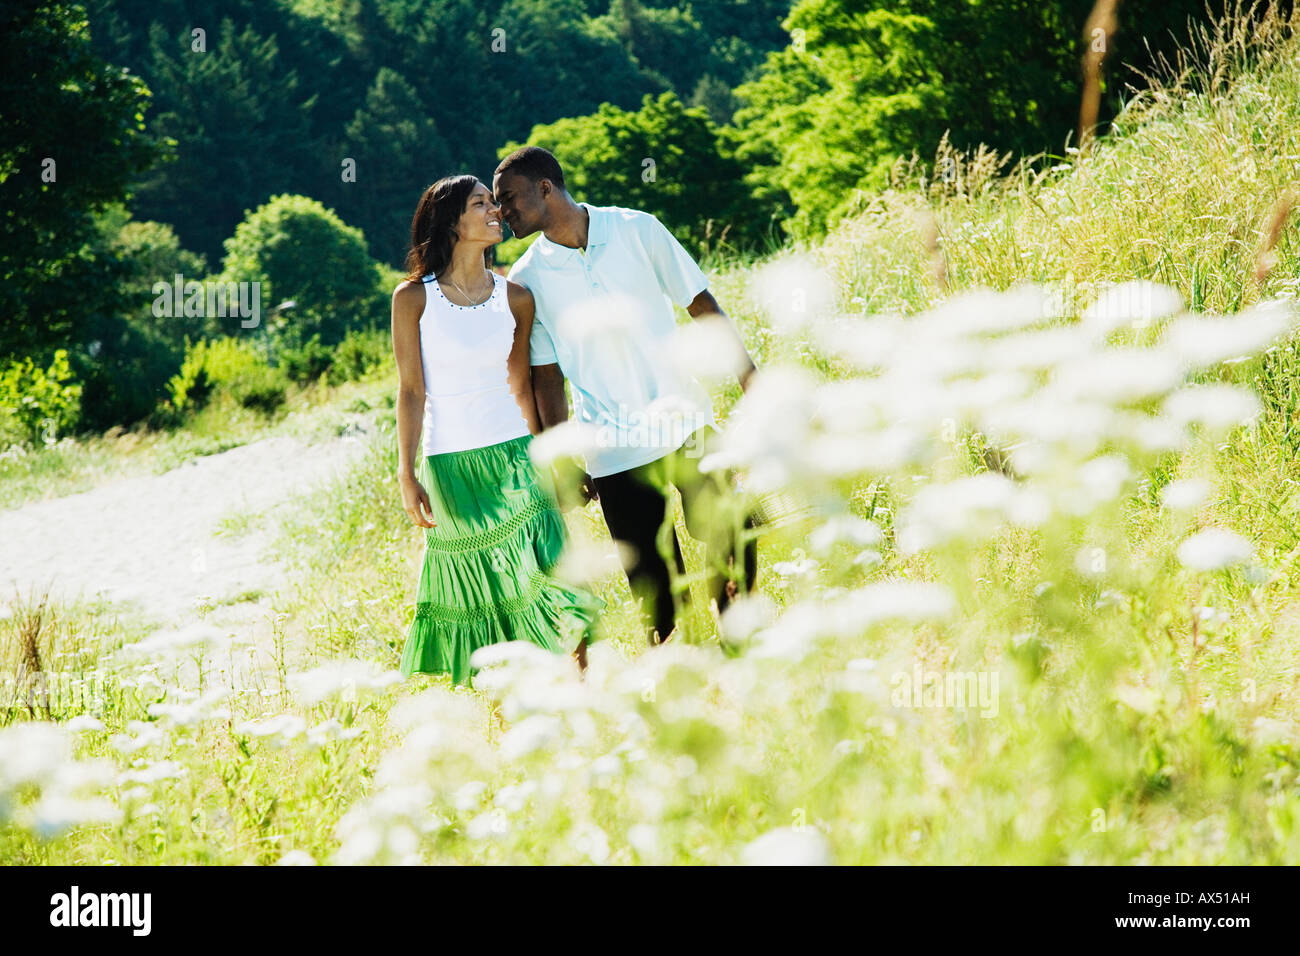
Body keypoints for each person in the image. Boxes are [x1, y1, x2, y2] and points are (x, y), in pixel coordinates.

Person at [493, 146, 760, 645]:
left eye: (509, 199)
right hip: (612, 449)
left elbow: (700, 302)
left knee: (732, 533)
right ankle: (681, 669)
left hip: (687, 422)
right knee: (654, 589)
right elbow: (547, 376)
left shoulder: (637, 228)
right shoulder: (527, 277)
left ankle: (736, 639)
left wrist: (750, 376)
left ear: (546, 188)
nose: (501, 211)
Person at [391, 173, 599, 685]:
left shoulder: (517, 298)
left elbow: (523, 385)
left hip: (516, 455)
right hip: (452, 464)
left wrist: (550, 455)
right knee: (486, 590)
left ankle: (583, 689)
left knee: (550, 569)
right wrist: (406, 472)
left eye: (494, 201)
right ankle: (511, 700)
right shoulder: (413, 299)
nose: (496, 211)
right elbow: (411, 391)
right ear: (452, 221)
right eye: (481, 203)